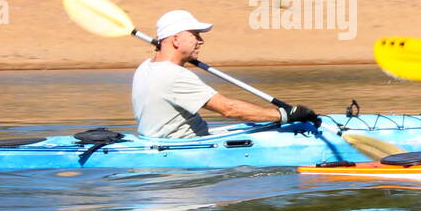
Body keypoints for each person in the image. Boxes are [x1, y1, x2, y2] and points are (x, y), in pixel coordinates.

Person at [132, 9, 319, 138]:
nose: (201, 41)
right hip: (187, 149)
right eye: (195, 35)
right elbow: (228, 109)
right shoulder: (173, 75)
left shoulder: (145, 67)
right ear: (176, 40)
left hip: (158, 140)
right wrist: (285, 115)